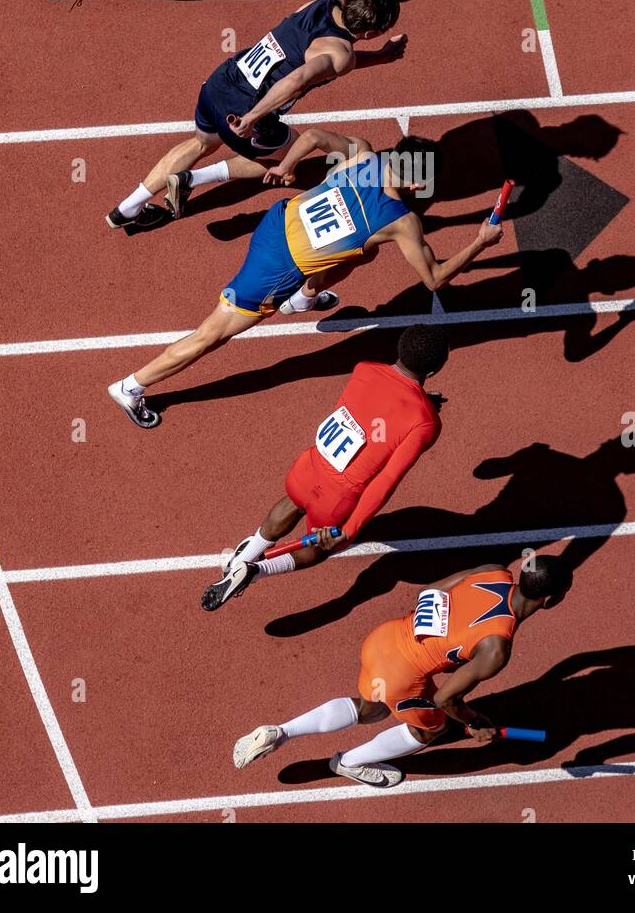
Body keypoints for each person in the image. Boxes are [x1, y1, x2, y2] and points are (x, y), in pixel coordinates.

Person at [106, 130, 503, 428]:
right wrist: (480, 243)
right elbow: (434, 279)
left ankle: (305, 298)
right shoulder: (402, 222)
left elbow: (311, 136)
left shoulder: (362, 153)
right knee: (211, 336)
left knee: (364, 248)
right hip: (277, 269)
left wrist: (285, 167)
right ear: (418, 181)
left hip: (277, 222)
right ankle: (132, 387)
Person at [231, 553, 572, 788]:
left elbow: (429, 592)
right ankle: (349, 762)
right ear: (551, 601)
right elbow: (444, 698)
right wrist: (472, 721)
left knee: (370, 708)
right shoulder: (497, 647)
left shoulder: (493, 571)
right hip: (401, 676)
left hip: (384, 639)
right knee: (432, 728)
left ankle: (281, 732)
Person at [105, 0, 405, 232]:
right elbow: (297, 79)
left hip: (220, 83)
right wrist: (252, 117)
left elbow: (316, 55)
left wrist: (381, 56)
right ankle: (190, 179)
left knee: (201, 143)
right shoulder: (341, 55)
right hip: (244, 111)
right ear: (369, 33)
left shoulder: (324, 3)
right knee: (290, 153)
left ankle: (127, 208)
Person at [201, 325, 449, 609]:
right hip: (337, 501)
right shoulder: (426, 423)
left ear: (400, 347)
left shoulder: (364, 369)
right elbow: (387, 480)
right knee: (319, 549)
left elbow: (377, 405)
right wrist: (351, 528)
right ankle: (256, 571)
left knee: (294, 502)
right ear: (433, 371)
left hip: (306, 470)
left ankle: (244, 557)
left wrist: (419, 401)